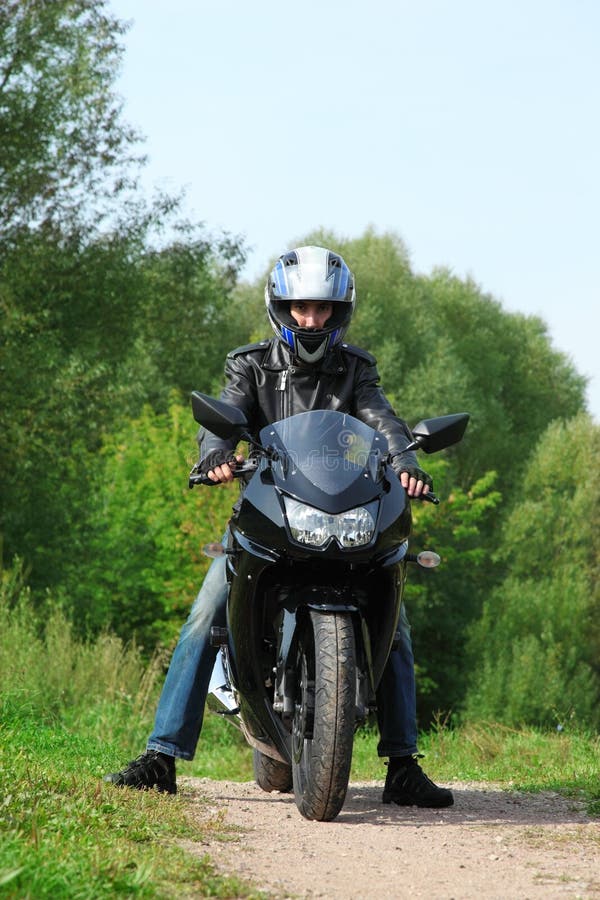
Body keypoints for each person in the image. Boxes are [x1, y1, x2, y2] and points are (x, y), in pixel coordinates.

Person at [104, 246, 453, 809]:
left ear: (339, 312)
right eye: (299, 308)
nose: (310, 320)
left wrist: (405, 461)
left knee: (396, 622)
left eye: (321, 308)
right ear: (280, 307)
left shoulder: (357, 369)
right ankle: (161, 756)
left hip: (342, 514)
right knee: (204, 617)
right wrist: (216, 454)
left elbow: (382, 419)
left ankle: (404, 764)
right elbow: (226, 415)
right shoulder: (250, 364)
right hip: (270, 515)